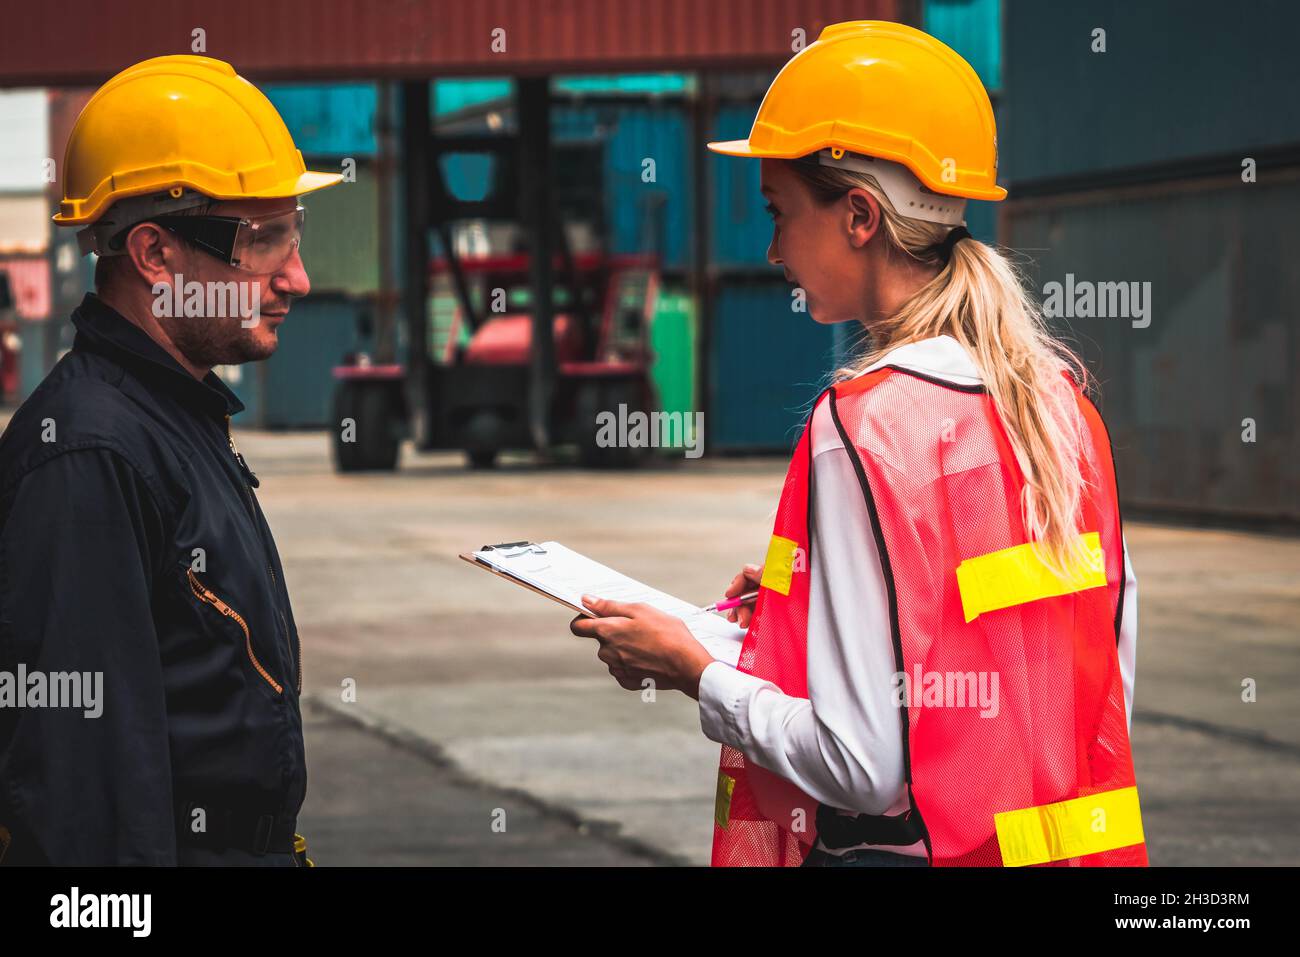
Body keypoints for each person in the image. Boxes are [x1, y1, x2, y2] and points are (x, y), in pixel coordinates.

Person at [571, 21, 1147, 868]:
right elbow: (1081, 689)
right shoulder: (1062, 409)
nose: (771, 250)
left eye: (778, 214)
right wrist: (800, 621)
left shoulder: (862, 425)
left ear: (860, 216)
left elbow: (860, 764)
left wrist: (697, 669)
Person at [0, 54, 342, 865]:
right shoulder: (90, 454)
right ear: (155, 255)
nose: (297, 275)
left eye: (295, 232)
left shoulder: (174, 419)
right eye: (265, 240)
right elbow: (89, 803)